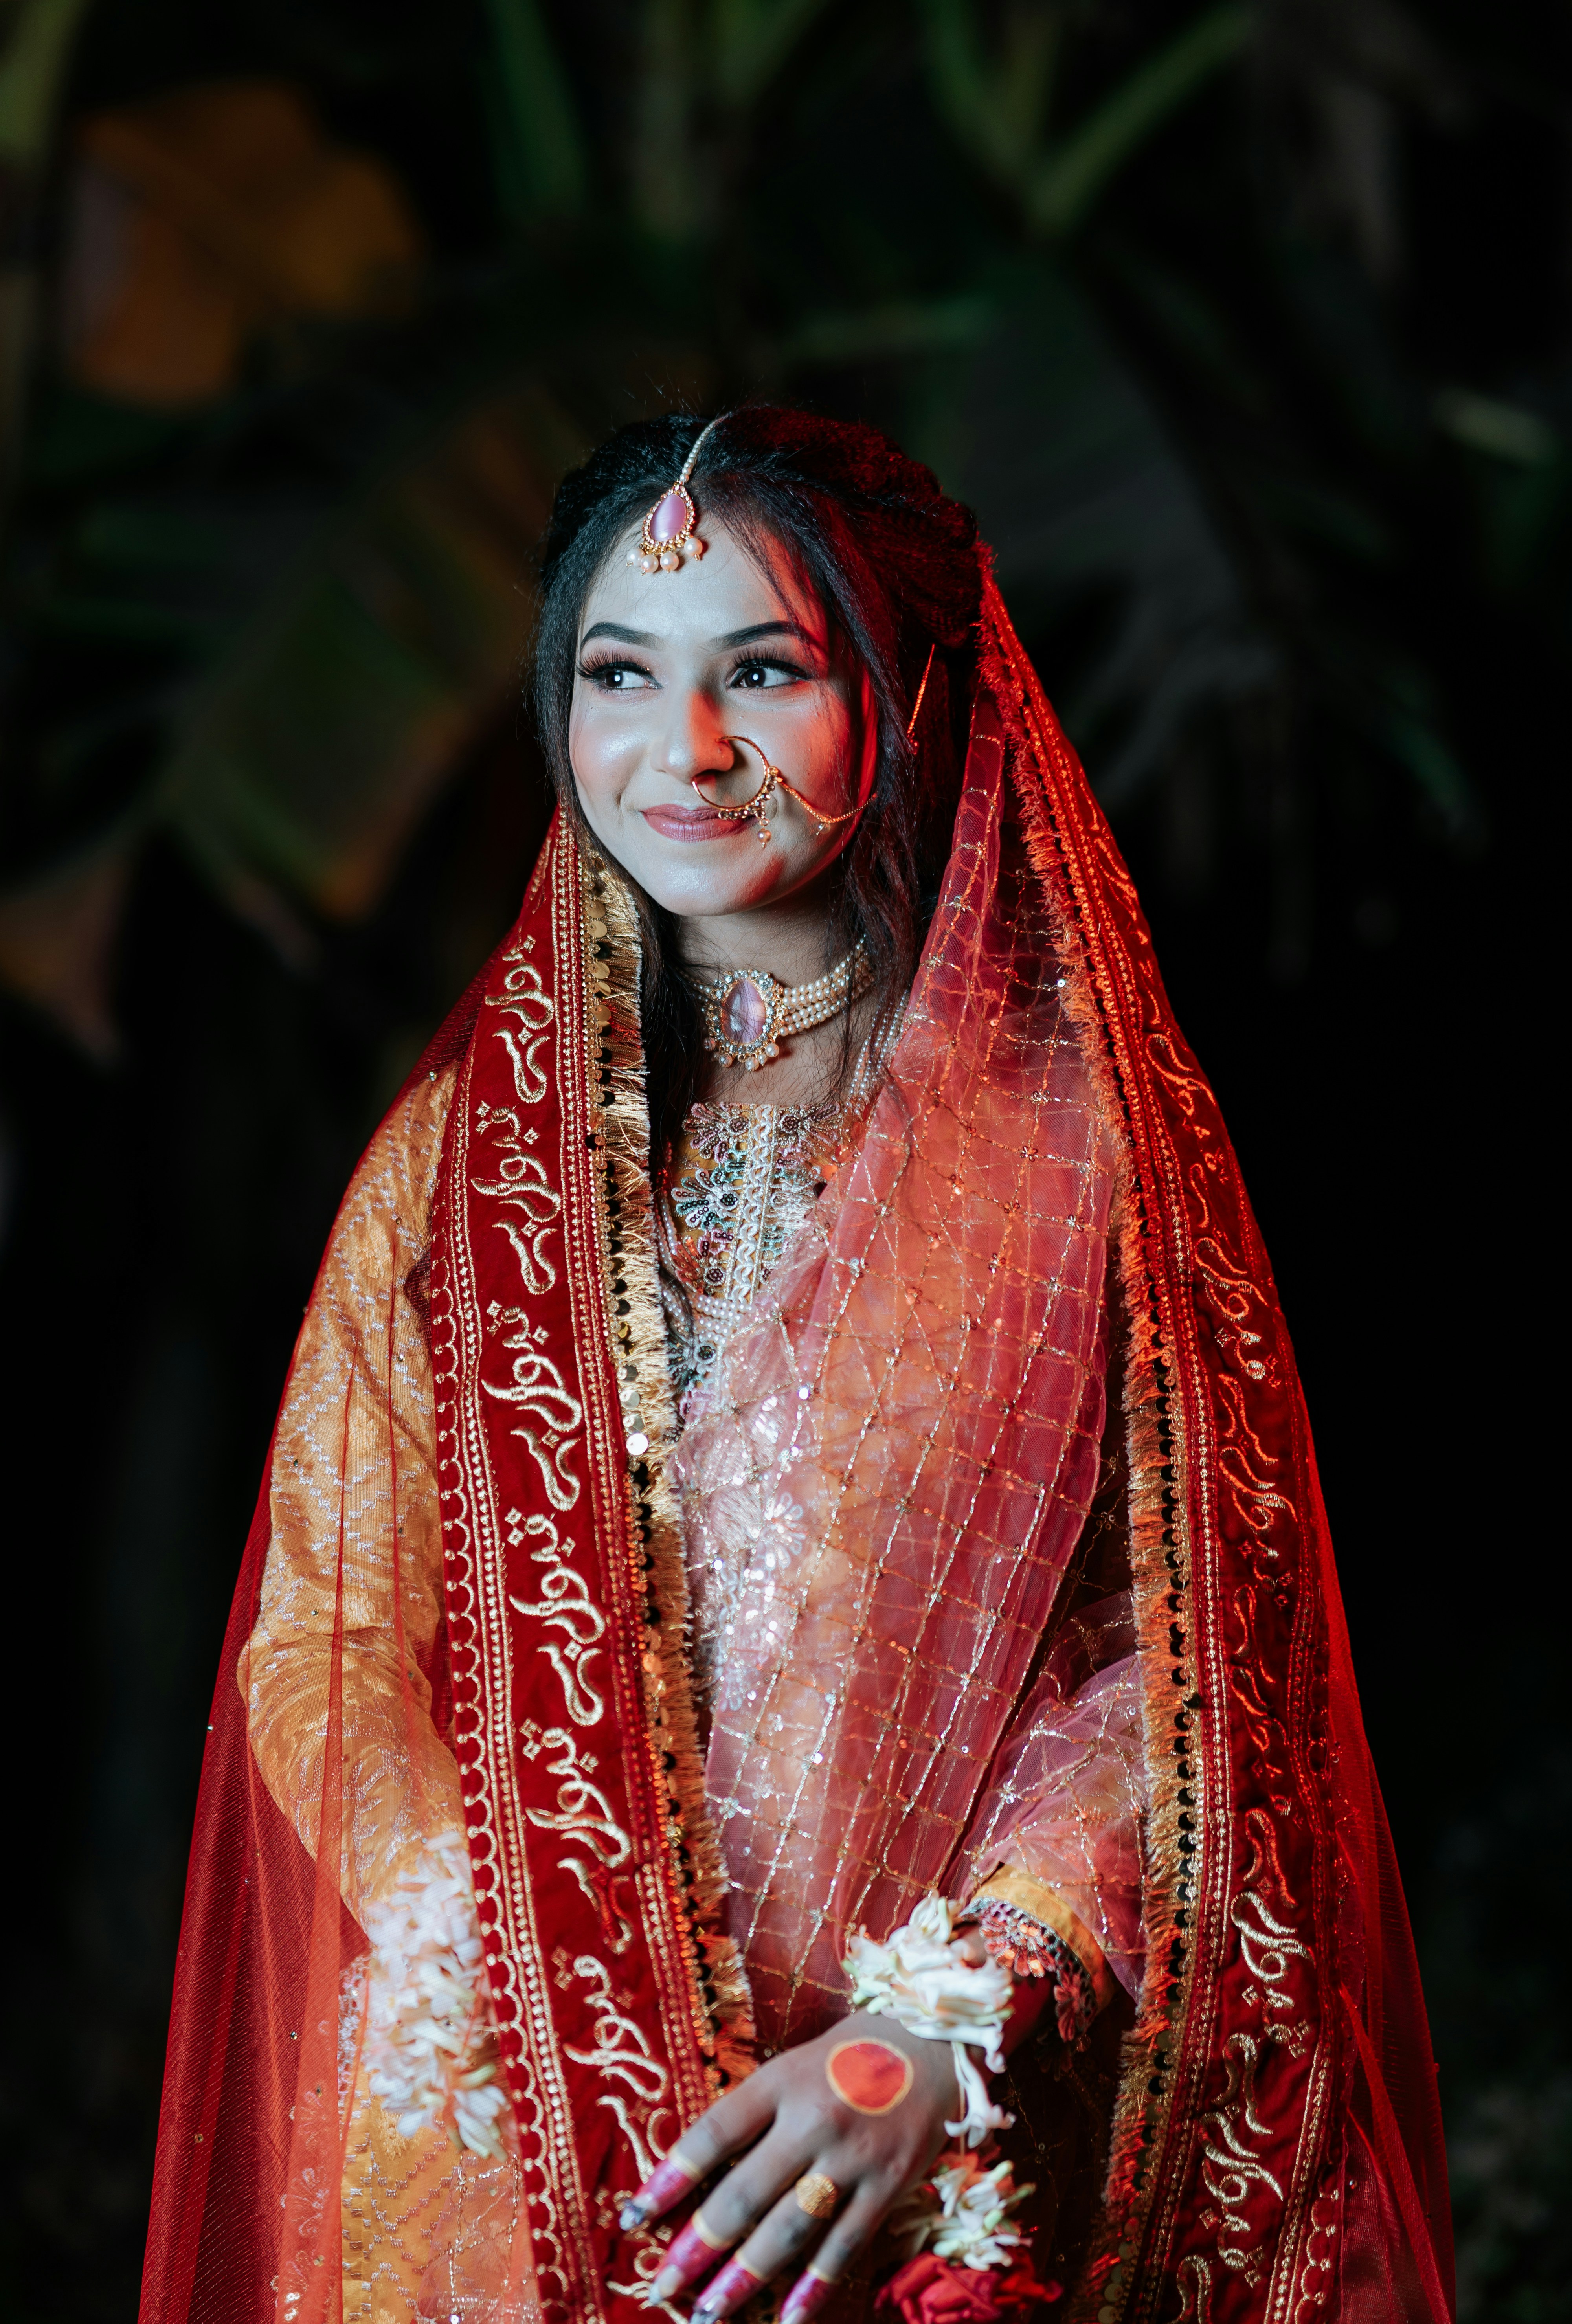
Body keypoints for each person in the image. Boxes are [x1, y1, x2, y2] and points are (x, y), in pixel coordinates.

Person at [139, 409, 1454, 2324]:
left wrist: (932, 2034)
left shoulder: (1066, 1157)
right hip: (507, 2142)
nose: (677, 754)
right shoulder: (466, 1170)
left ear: (911, 698)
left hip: (910, 2153)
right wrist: (539, 1997)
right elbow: (330, 1635)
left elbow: (1172, 1656)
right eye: (616, 676)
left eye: (762, 671)